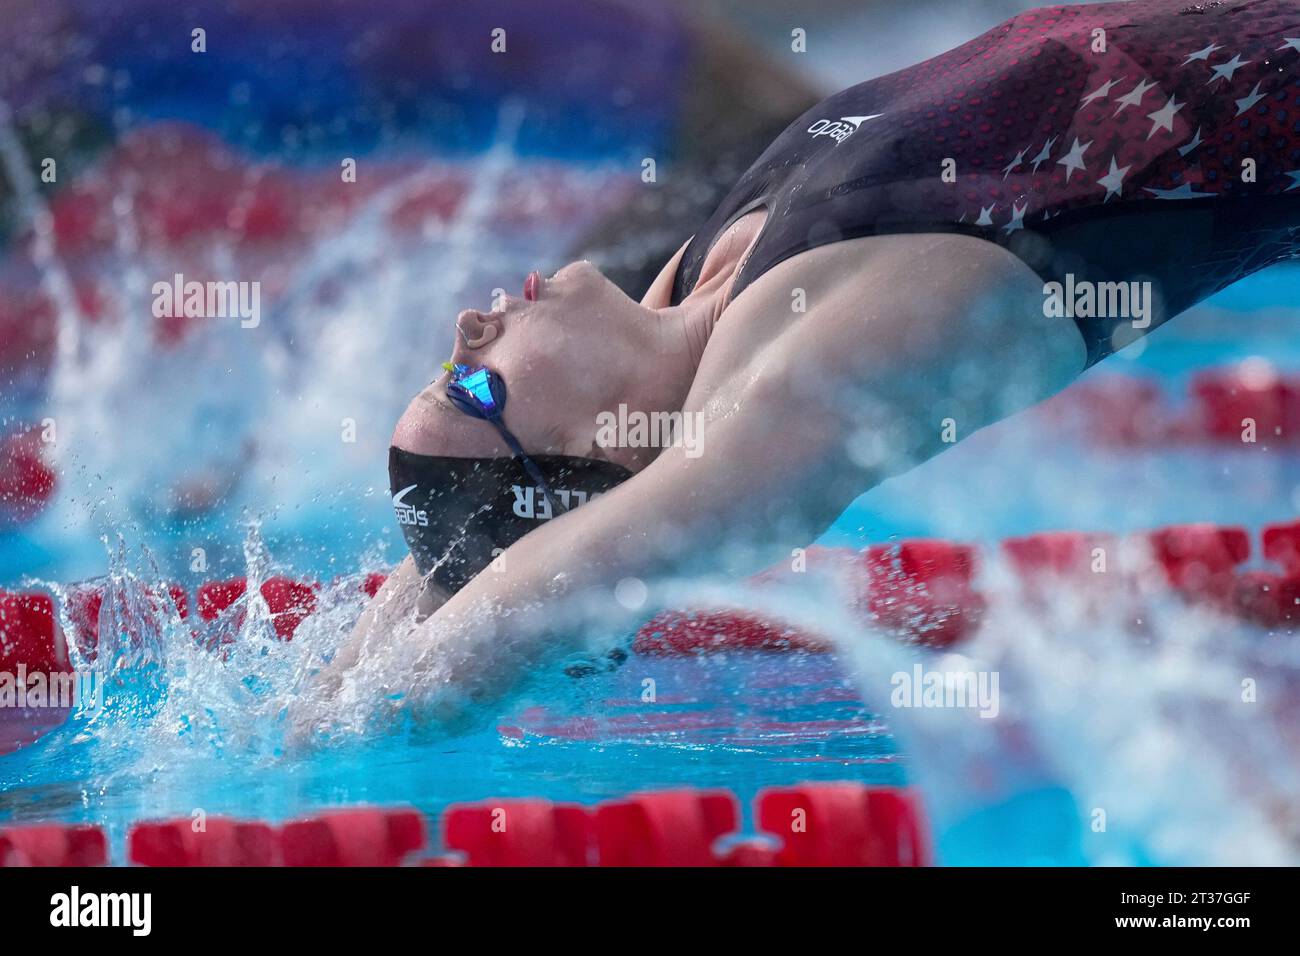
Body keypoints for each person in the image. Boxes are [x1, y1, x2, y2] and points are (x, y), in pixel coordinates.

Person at [298, 0, 1300, 731]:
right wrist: (325, 760)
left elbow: (475, 556)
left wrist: (330, 681)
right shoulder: (797, 375)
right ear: (594, 441)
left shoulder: (694, 289)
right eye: (470, 383)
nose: (470, 327)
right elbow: (562, 566)